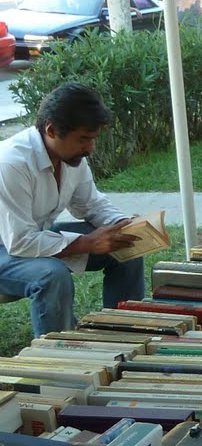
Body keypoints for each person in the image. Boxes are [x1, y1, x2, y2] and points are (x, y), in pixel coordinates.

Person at [0, 83, 142, 336]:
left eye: (93, 139)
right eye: (83, 139)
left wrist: (125, 223)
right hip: (9, 246)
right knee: (51, 276)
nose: (90, 149)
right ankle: (61, 360)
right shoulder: (11, 163)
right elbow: (19, 242)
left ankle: (123, 336)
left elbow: (90, 203)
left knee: (126, 244)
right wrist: (86, 243)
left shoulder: (71, 157)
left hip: (31, 236)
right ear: (51, 130)